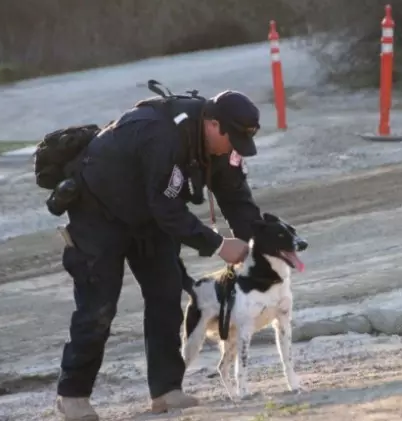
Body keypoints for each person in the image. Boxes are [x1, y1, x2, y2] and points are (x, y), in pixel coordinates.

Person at [54, 83, 263, 420]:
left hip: (149, 215)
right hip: (98, 211)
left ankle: (166, 390)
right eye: (232, 141)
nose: (232, 150)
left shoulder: (221, 146)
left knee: (166, 294)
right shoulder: (164, 136)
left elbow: (236, 199)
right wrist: (220, 245)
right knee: (99, 304)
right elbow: (167, 209)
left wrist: (257, 252)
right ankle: (73, 395)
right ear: (213, 124)